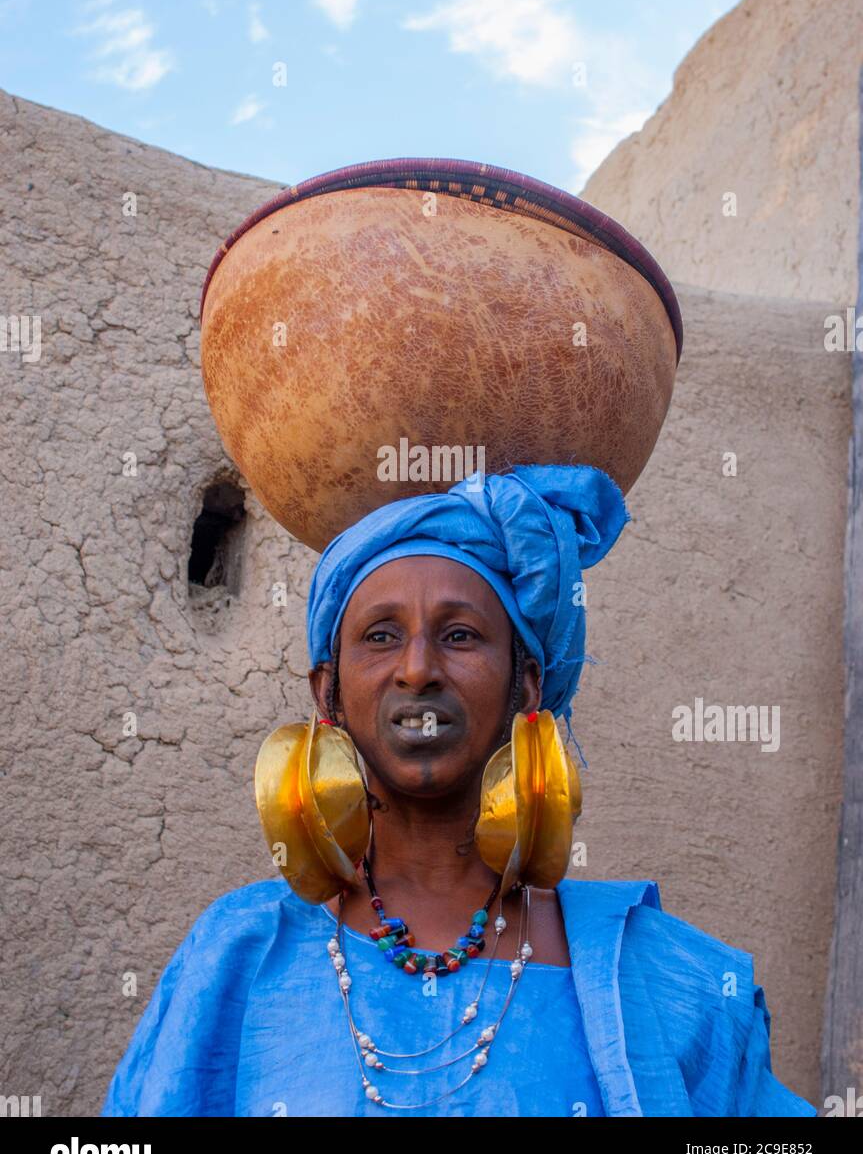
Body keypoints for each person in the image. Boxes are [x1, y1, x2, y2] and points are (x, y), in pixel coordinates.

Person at [102, 464, 816, 1117]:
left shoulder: (670, 982)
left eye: (461, 635)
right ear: (329, 695)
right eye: (380, 636)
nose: (417, 669)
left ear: (526, 684)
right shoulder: (235, 958)